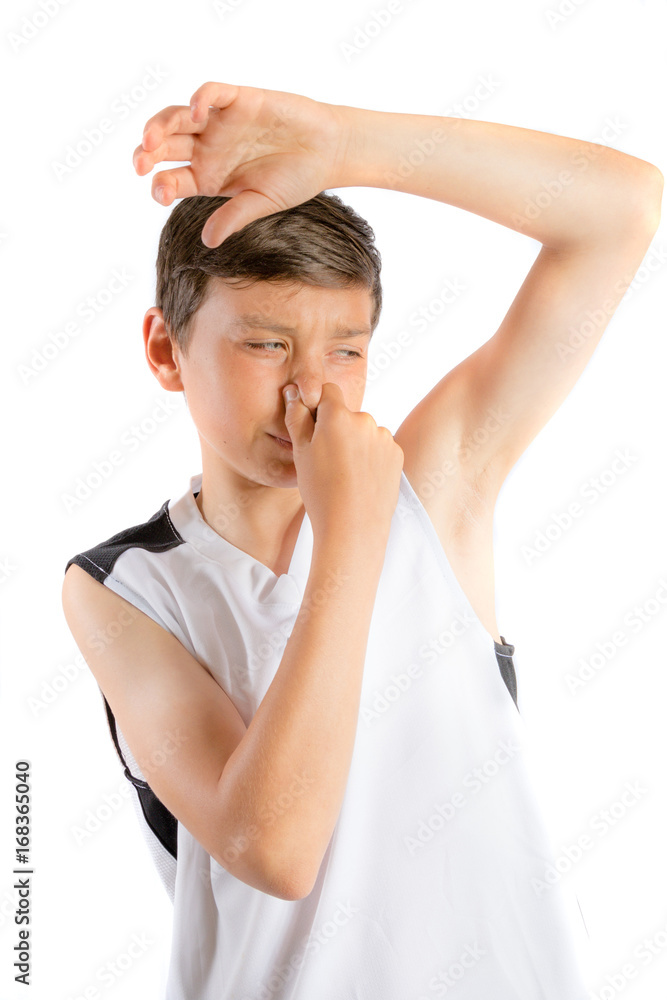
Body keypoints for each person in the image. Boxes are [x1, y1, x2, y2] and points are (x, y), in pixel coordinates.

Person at [61, 81, 662, 999]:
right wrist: (348, 536)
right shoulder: (125, 587)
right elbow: (274, 847)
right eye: (265, 345)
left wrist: (345, 145)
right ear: (165, 350)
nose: (311, 389)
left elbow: (621, 210)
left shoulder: (431, 493)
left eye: (345, 349)